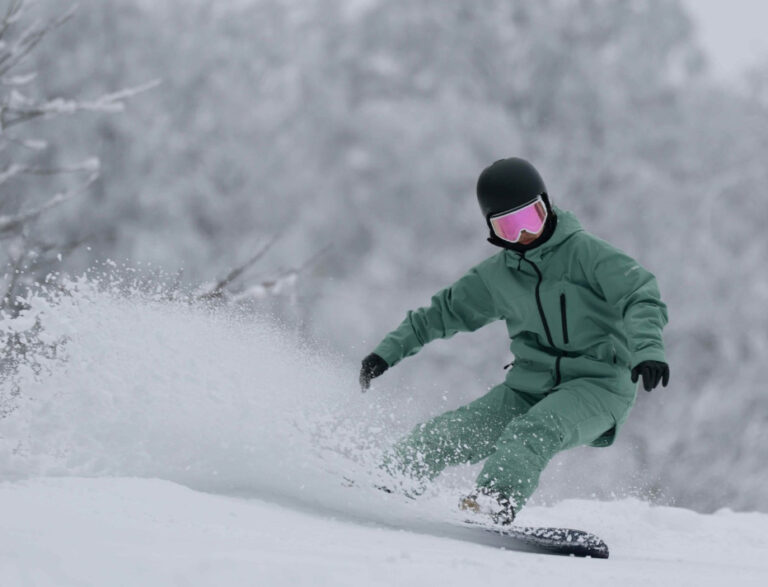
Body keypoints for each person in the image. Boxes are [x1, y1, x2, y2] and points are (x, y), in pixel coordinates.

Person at [358, 157, 669, 525]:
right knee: (452, 432)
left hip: (599, 384)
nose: (523, 235)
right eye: (509, 226)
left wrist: (648, 349)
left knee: (532, 432)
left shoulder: (588, 255)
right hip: (528, 384)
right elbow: (440, 314)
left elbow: (639, 294)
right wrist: (386, 353)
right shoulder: (497, 276)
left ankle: (493, 502)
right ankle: (387, 480)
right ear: (493, 231)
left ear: (547, 206)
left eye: (530, 218)